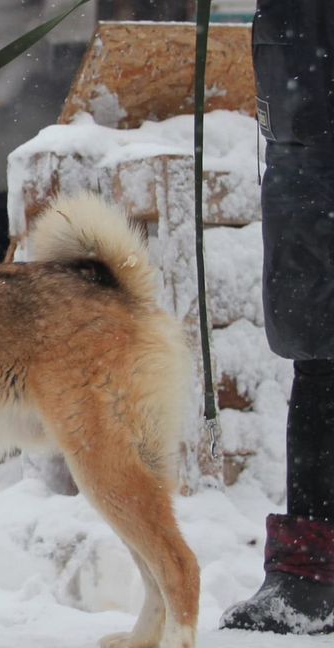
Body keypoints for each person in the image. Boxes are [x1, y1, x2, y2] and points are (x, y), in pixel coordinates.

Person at [219, 0, 334, 634]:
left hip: (313, 155)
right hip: (303, 162)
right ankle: (306, 575)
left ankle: (308, 577)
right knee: (316, 365)